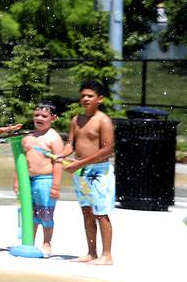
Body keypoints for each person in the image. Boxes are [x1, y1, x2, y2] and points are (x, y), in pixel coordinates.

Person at [65, 78, 116, 265]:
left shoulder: (103, 120)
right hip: (81, 173)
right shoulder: (76, 120)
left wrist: (79, 163)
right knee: (86, 211)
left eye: (90, 96)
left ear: (100, 99)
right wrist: (60, 156)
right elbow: (70, 144)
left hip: (99, 172)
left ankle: (107, 255)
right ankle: (91, 252)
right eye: (83, 96)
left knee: (100, 212)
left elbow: (107, 149)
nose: (85, 99)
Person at [21, 100, 66, 257]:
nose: (39, 118)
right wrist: (17, 180)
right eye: (36, 115)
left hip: (46, 180)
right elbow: (20, 161)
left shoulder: (54, 138)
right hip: (28, 180)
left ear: (53, 118)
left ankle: (46, 243)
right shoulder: (28, 138)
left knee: (46, 213)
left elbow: (58, 163)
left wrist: (56, 186)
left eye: (44, 115)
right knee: (30, 212)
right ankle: (29, 241)